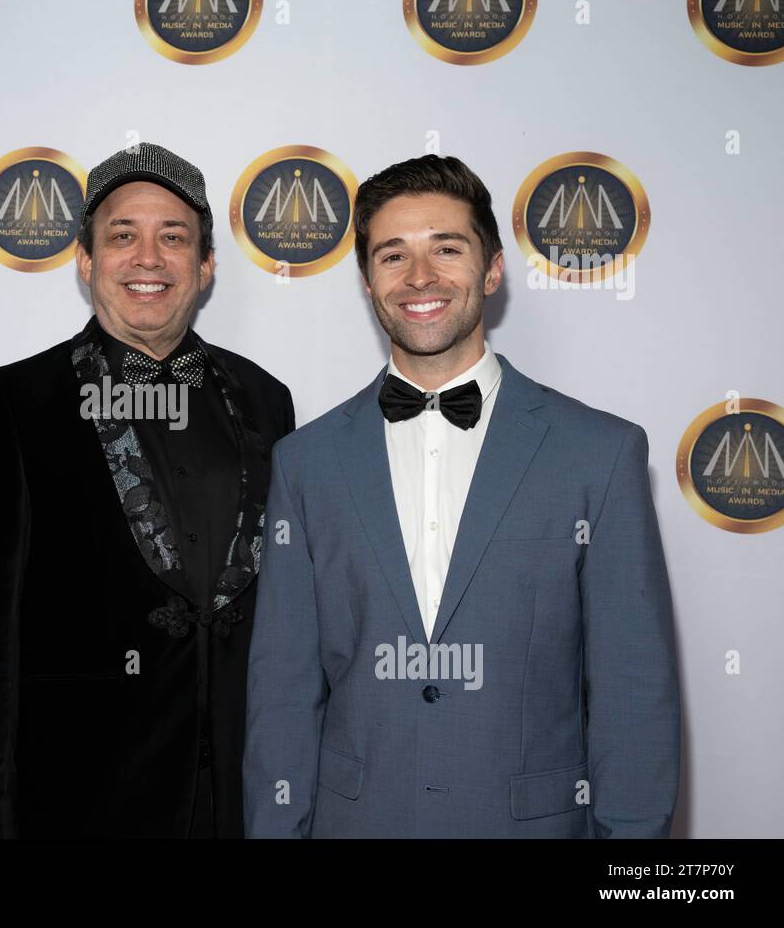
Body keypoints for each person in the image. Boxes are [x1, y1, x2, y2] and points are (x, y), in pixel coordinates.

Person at [243, 154, 679, 838]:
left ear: (493, 269)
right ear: (367, 281)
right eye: (394, 255)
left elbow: (632, 692)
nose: (420, 277)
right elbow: (283, 693)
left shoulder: (601, 453)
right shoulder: (306, 463)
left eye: (447, 248)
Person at [0, 144, 295, 837]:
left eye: (174, 238)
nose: (149, 259)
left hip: (239, 804)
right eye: (122, 236)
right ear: (85, 262)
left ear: (206, 265)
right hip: (81, 805)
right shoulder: (18, 403)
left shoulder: (265, 398)